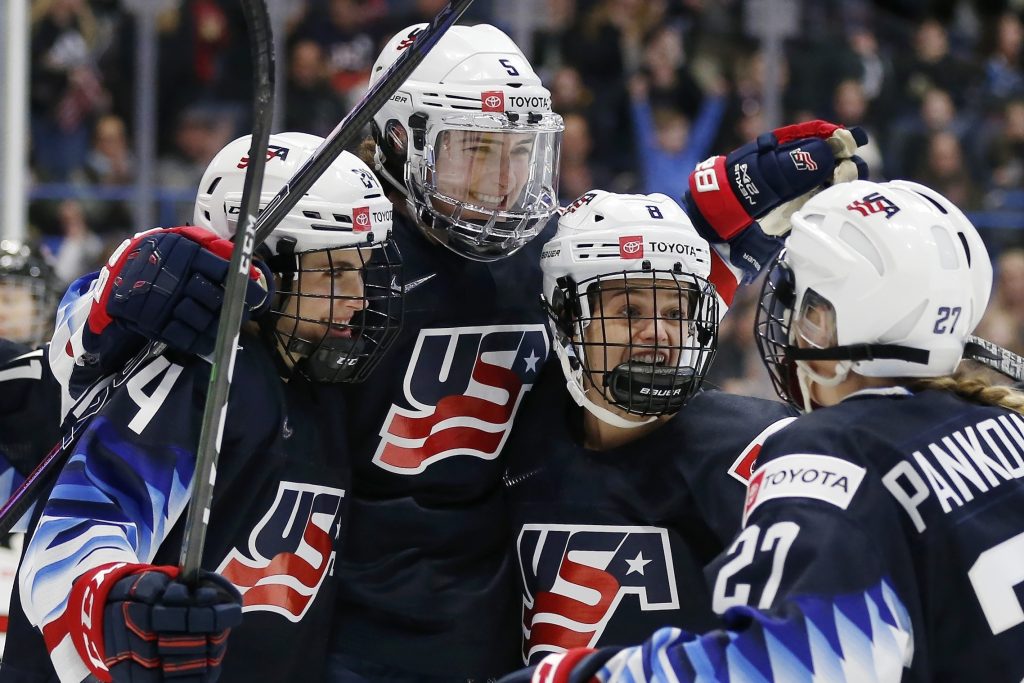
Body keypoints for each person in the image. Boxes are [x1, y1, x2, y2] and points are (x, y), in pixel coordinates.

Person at [56, 22, 871, 679]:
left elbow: (639, 289)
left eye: (520, 155)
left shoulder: (541, 254)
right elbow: (112, 351)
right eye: (474, 152)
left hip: (490, 608)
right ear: (395, 143)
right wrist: (110, 303)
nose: (501, 186)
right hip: (338, 611)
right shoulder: (345, 256)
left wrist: (725, 198)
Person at [501, 179, 1024, 683]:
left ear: (827, 321)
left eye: (804, 304)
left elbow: (792, 661)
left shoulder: (825, 452)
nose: (657, 333)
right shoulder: (1003, 428)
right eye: (630, 311)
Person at [2, 131, 403, 683]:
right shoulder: (200, 374)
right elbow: (81, 523)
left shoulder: (323, 383)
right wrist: (118, 603)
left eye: (362, 269)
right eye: (333, 273)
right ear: (258, 266)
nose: (358, 301)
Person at [502, 190, 796, 665]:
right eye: (630, 312)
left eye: (676, 314)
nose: (658, 333)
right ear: (568, 317)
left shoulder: (749, 448)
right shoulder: (520, 432)